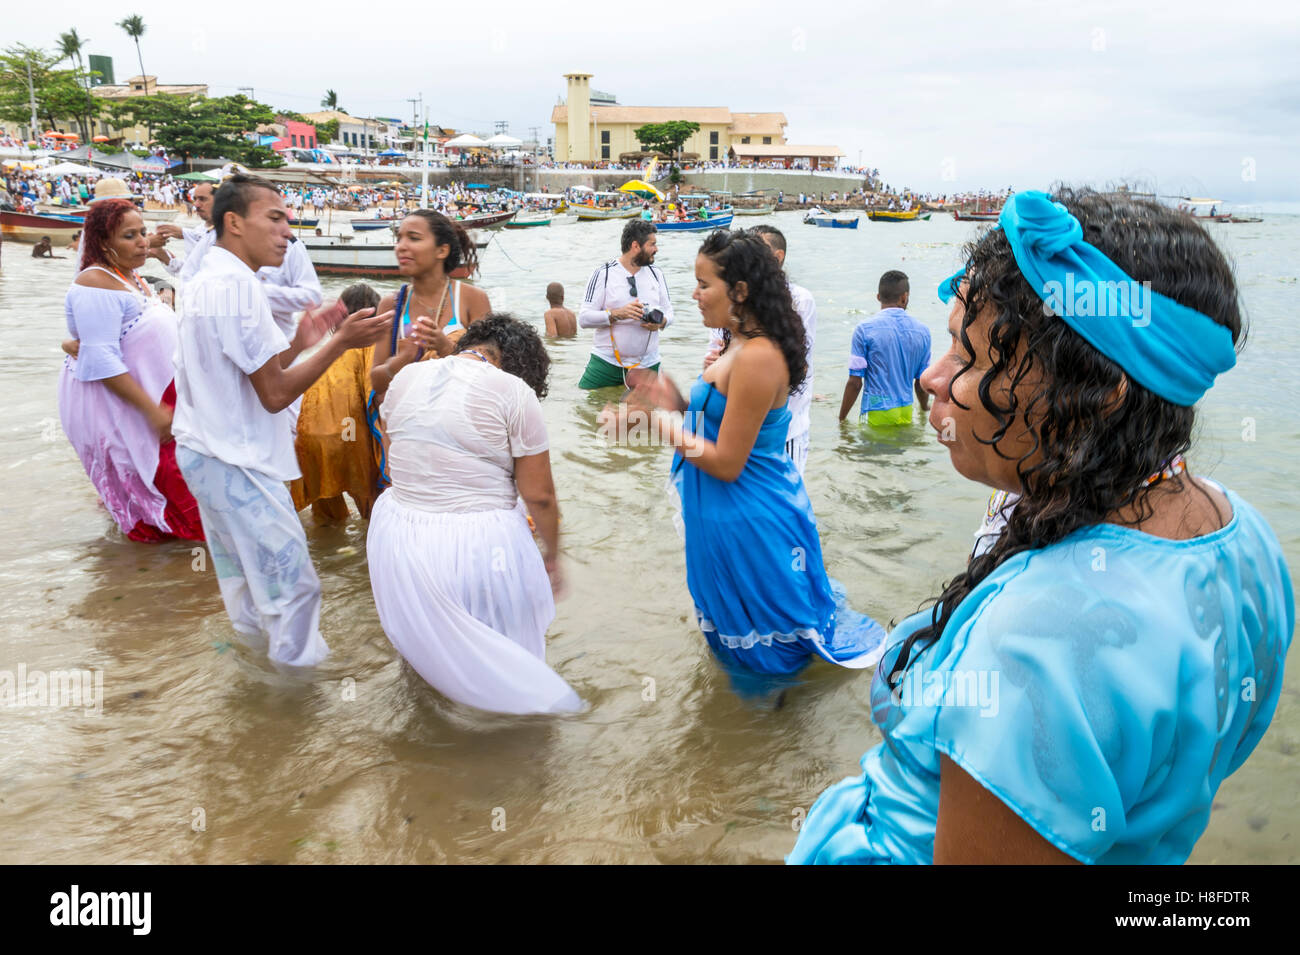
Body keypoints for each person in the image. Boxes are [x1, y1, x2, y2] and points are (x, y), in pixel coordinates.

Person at [789, 188, 1293, 865]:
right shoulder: (1242, 531)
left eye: (967, 357)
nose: (933, 379)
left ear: (1094, 389)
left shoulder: (1039, 641)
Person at [608, 229, 885, 688]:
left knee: (768, 660)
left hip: (750, 514)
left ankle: (777, 742)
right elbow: (718, 419)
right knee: (738, 644)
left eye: (703, 284)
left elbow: (728, 461)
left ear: (739, 290)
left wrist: (654, 426)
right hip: (726, 513)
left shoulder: (757, 356)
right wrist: (669, 398)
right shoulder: (736, 342)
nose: (694, 295)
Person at [172, 175, 392, 667]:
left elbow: (247, 372)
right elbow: (274, 395)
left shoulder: (207, 277)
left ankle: (258, 681)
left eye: (288, 220)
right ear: (233, 222)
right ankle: (296, 704)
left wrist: (303, 340)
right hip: (237, 458)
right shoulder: (237, 285)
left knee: (246, 584)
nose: (288, 233)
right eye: (274, 219)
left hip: (204, 451)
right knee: (294, 588)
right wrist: (338, 343)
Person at [368, 315, 581, 715]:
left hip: (396, 539)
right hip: (479, 542)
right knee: (509, 664)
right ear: (522, 367)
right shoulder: (514, 392)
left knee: (424, 656)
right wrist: (552, 555)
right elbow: (541, 497)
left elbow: (396, 467)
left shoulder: (404, 378)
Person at [57, 198, 203, 543]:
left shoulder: (130, 276)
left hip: (149, 395)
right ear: (103, 242)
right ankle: (174, 571)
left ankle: (162, 559)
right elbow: (102, 360)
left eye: (142, 232)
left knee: (170, 478)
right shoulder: (95, 282)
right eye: (129, 236)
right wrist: (153, 412)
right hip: (121, 401)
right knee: (164, 477)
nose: (142, 241)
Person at [368, 210, 491, 484]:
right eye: (398, 238)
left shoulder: (471, 298)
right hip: (408, 437)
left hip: (460, 435)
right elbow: (376, 381)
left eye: (413, 238)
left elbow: (494, 375)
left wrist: (445, 346)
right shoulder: (392, 305)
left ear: (442, 250)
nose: (401, 246)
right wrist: (403, 360)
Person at [705, 225, 815, 475]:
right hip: (729, 423)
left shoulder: (799, 301)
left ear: (776, 259)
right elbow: (711, 358)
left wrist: (661, 425)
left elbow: (799, 366)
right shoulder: (726, 305)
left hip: (782, 430)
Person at [290, 282, 385, 523]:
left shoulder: (328, 352)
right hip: (349, 441)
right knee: (372, 510)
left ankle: (328, 548)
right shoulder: (372, 350)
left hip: (312, 439)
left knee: (327, 516)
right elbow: (374, 397)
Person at [577, 219, 674, 389]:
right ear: (636, 246)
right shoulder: (603, 273)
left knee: (647, 414)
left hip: (647, 363)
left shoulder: (656, 274)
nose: (656, 249)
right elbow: (584, 319)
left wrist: (661, 322)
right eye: (652, 244)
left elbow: (669, 311)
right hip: (606, 360)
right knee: (586, 409)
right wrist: (617, 314)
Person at [839, 270, 931, 426]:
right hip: (905, 412)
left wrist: (841, 420)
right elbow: (921, 383)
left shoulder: (864, 329)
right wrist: (924, 408)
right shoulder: (922, 331)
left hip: (876, 413)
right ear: (905, 297)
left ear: (878, 297)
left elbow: (855, 383)